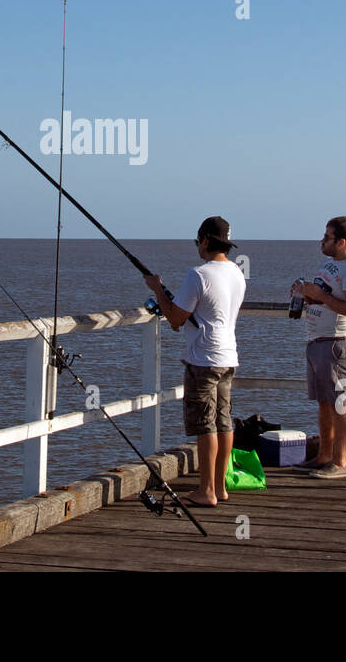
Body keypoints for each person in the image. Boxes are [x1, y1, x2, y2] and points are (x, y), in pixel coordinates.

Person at [144, 216, 246, 507]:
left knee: (205, 425)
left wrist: (158, 289)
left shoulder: (198, 274)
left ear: (204, 241)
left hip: (203, 359)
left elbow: (176, 318)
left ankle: (207, 491)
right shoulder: (236, 273)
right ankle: (220, 485)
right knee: (224, 421)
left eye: (197, 241)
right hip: (228, 356)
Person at [290, 216, 346, 479]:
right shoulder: (329, 265)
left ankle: (340, 462)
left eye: (327, 237)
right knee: (323, 402)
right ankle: (323, 456)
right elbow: (325, 297)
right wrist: (305, 293)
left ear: (342, 242)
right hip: (316, 340)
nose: (322, 241)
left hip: (336, 343)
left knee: (339, 402)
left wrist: (320, 295)